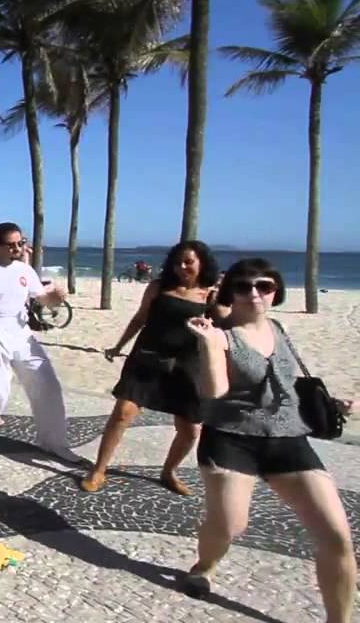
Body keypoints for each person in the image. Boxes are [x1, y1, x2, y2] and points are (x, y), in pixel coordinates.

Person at [182, 259, 354, 621]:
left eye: (264, 286)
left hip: (288, 437)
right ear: (231, 292)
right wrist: (210, 345)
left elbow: (287, 383)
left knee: (337, 536)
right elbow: (215, 392)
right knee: (228, 526)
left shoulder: (279, 327)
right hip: (231, 439)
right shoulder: (219, 334)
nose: (254, 293)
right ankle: (205, 565)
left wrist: (336, 402)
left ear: (276, 291)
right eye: (244, 286)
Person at [81, 240, 220, 494]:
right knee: (123, 412)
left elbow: (224, 328)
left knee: (190, 429)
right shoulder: (159, 287)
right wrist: (118, 346)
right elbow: (139, 318)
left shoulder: (210, 295)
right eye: (178, 262)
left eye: (188, 262)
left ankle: (169, 472)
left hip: (187, 365)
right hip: (148, 357)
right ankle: (98, 469)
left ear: (202, 263)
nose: (182, 267)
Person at [0, 222, 79, 461]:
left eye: (20, 243)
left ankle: (54, 442)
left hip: (21, 333)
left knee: (48, 385)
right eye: (10, 245)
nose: (17, 248)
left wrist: (54, 297)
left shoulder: (25, 270)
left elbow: (41, 299)